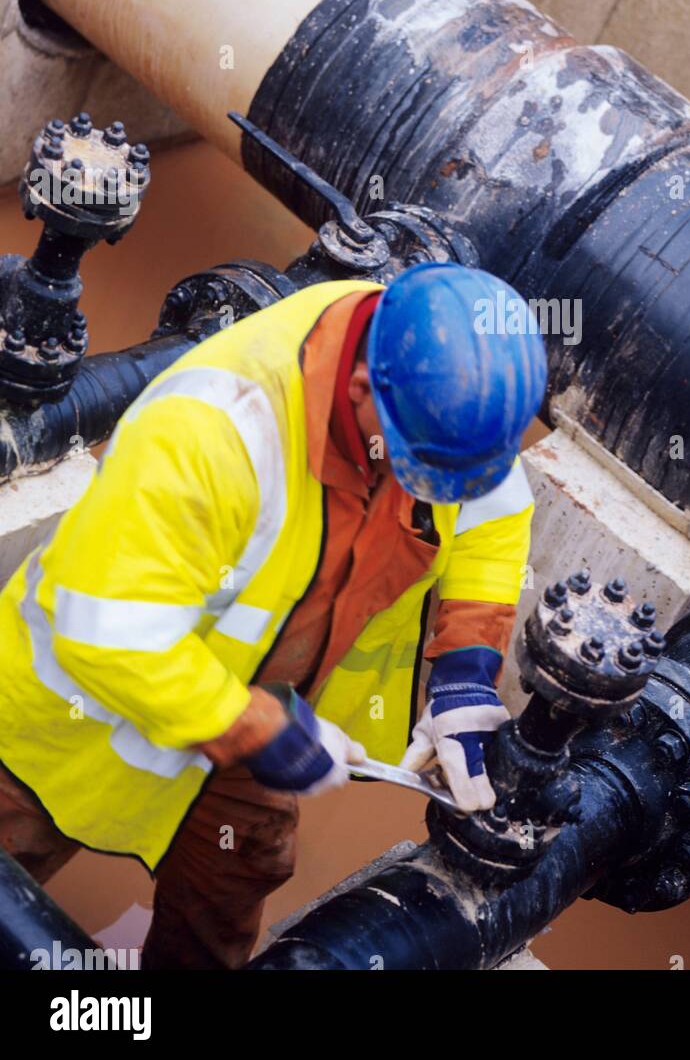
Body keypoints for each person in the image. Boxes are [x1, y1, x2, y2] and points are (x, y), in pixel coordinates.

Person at [0, 263, 547, 968]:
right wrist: (254, 728)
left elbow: (493, 515)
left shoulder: (446, 397)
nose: (435, 492)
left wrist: (466, 675)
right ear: (360, 393)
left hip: (270, 726)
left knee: (225, 900)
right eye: (422, 473)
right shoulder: (216, 431)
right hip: (71, 726)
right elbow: (106, 628)